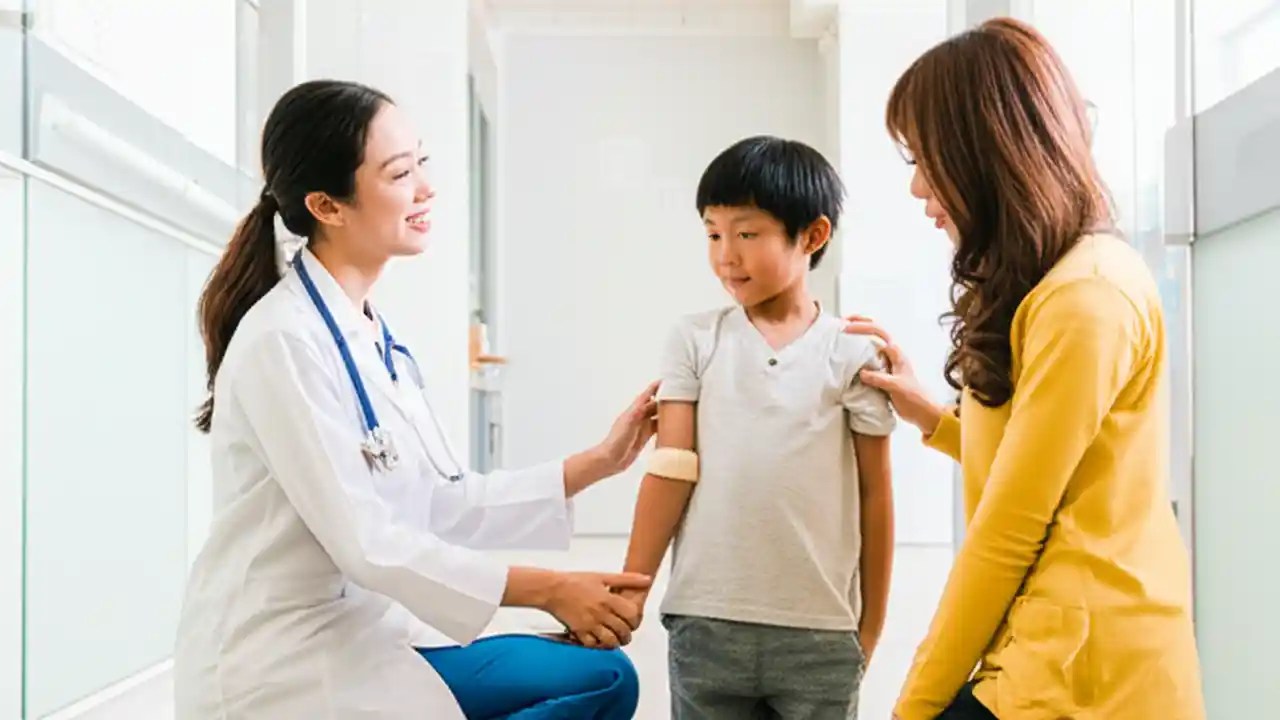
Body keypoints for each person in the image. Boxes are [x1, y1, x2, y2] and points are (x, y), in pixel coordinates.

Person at [174, 79, 655, 720]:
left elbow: (439, 502)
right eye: (400, 173)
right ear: (328, 205)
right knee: (588, 683)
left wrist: (599, 462)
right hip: (282, 665)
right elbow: (367, 542)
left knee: (604, 679)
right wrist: (550, 590)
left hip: (367, 637)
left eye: (420, 163)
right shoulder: (283, 341)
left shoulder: (373, 338)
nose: (426, 189)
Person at [844, 18, 1205, 719]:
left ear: (983, 152)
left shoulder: (1085, 296)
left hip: (1088, 678)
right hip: (1060, 654)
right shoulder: (1054, 284)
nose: (918, 188)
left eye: (924, 158)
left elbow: (1007, 531)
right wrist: (933, 418)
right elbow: (1056, 461)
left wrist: (912, 707)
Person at [618, 136, 897, 719]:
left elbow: (875, 493)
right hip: (706, 618)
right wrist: (631, 589)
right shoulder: (695, 339)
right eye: (713, 233)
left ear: (813, 236)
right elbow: (672, 468)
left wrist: (870, 625)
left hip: (819, 629)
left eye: (747, 234)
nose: (726, 255)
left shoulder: (853, 351)